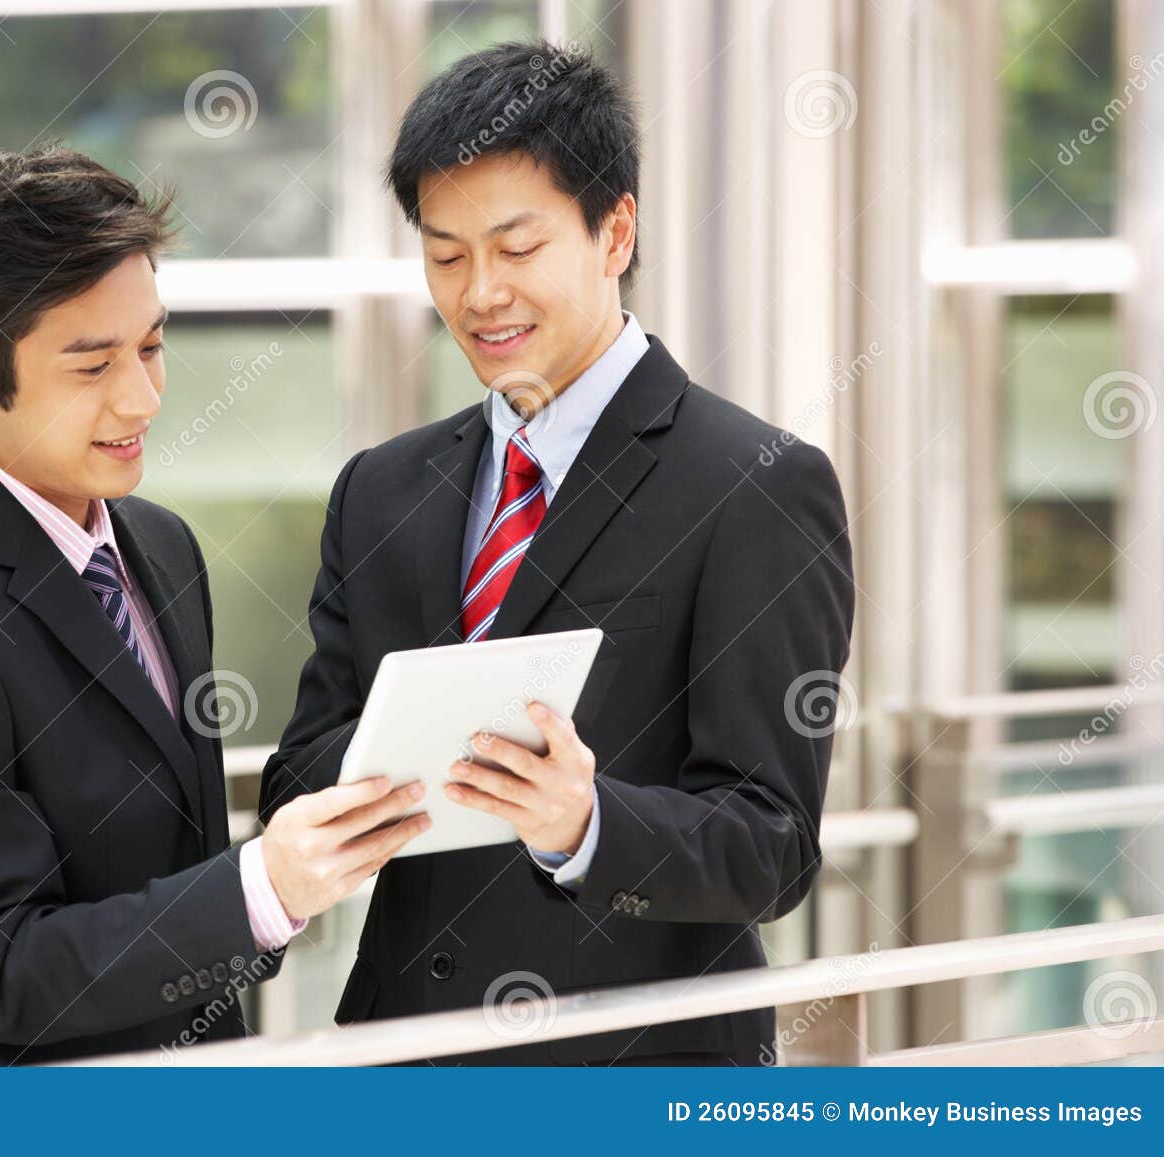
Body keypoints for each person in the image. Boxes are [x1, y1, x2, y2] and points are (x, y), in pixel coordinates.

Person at [260, 43, 856, 1065]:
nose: (479, 292)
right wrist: (375, 783)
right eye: (445, 256)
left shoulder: (754, 483)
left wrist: (585, 820)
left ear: (613, 229)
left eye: (516, 247)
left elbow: (771, 845)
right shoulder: (381, 489)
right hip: (406, 1062)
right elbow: (297, 771)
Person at [0, 145, 428, 1065]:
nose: (143, 396)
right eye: (92, 366)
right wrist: (262, 887)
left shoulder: (163, 548)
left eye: (152, 345)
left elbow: (172, 857)